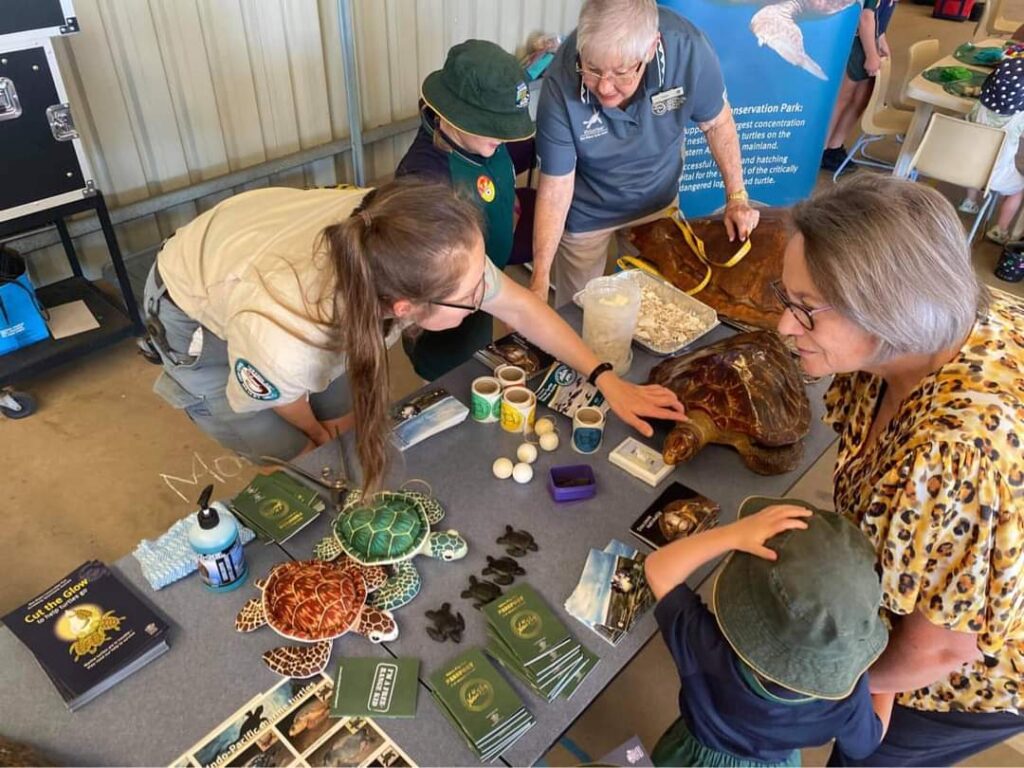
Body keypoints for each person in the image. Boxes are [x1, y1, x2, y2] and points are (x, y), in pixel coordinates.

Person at [144, 177, 686, 491]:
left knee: (347, 420)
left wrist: (605, 379)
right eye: (472, 293)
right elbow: (284, 394)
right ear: (405, 308)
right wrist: (312, 433)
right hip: (196, 299)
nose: (485, 296)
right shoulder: (289, 333)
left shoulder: (416, 245)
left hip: (257, 235)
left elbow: (521, 307)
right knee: (299, 454)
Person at [767, 175, 1023, 766]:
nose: (785, 327)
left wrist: (818, 683)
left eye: (805, 311)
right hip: (911, 610)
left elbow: (938, 652)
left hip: (958, 674)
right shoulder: (929, 332)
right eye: (787, 300)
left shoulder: (959, 456)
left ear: (889, 310)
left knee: (870, 754)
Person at [531, 0, 760, 305]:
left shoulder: (689, 50)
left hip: (657, 200)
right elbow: (556, 185)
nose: (606, 87)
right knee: (578, 314)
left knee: (651, 309)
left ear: (651, 48)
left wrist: (737, 197)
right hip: (587, 211)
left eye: (622, 72)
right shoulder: (561, 78)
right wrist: (539, 279)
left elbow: (717, 123)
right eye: (593, 70)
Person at [644, 499, 894, 766]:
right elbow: (867, 742)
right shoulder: (845, 698)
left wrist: (733, 534)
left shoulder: (708, 648)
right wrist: (885, 684)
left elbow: (659, 569)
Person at [395, 39, 537, 381]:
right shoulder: (424, 181)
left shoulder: (482, 141)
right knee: (456, 378)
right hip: (448, 307)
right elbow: (426, 288)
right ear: (456, 115)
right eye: (495, 129)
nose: (503, 139)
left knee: (479, 354)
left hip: (486, 283)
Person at [821, 0, 897, 173]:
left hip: (869, 39)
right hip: (856, 41)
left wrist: (881, 37)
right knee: (843, 99)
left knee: (859, 100)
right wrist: (871, 54)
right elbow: (865, 16)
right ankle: (820, 149)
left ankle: (835, 147)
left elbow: (881, 14)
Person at [959, 58, 1024, 245]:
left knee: (974, 166)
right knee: (1018, 190)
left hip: (963, 166)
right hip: (996, 174)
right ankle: (1000, 229)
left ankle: (969, 201)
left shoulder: (978, 106)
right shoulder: (1019, 118)